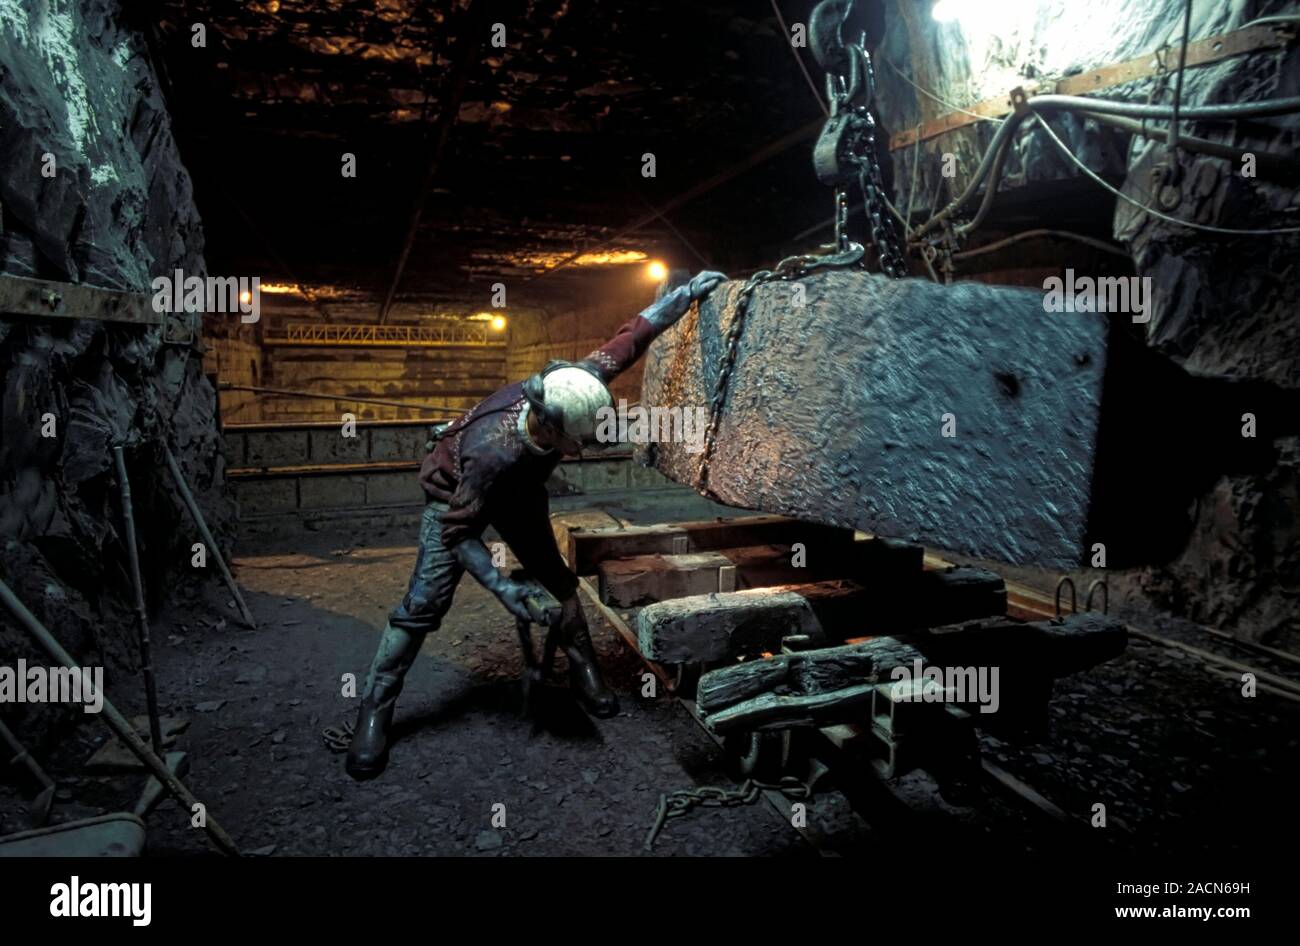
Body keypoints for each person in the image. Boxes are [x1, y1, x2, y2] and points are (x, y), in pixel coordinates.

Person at [346, 270, 727, 779]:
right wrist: (504, 589)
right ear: (547, 427)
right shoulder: (491, 453)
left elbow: (626, 341)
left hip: (519, 494)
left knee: (559, 580)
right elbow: (460, 533)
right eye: (575, 443)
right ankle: (375, 708)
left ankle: (583, 670)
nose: (579, 452)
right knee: (422, 608)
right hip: (453, 500)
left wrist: (680, 298)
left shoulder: (571, 387)